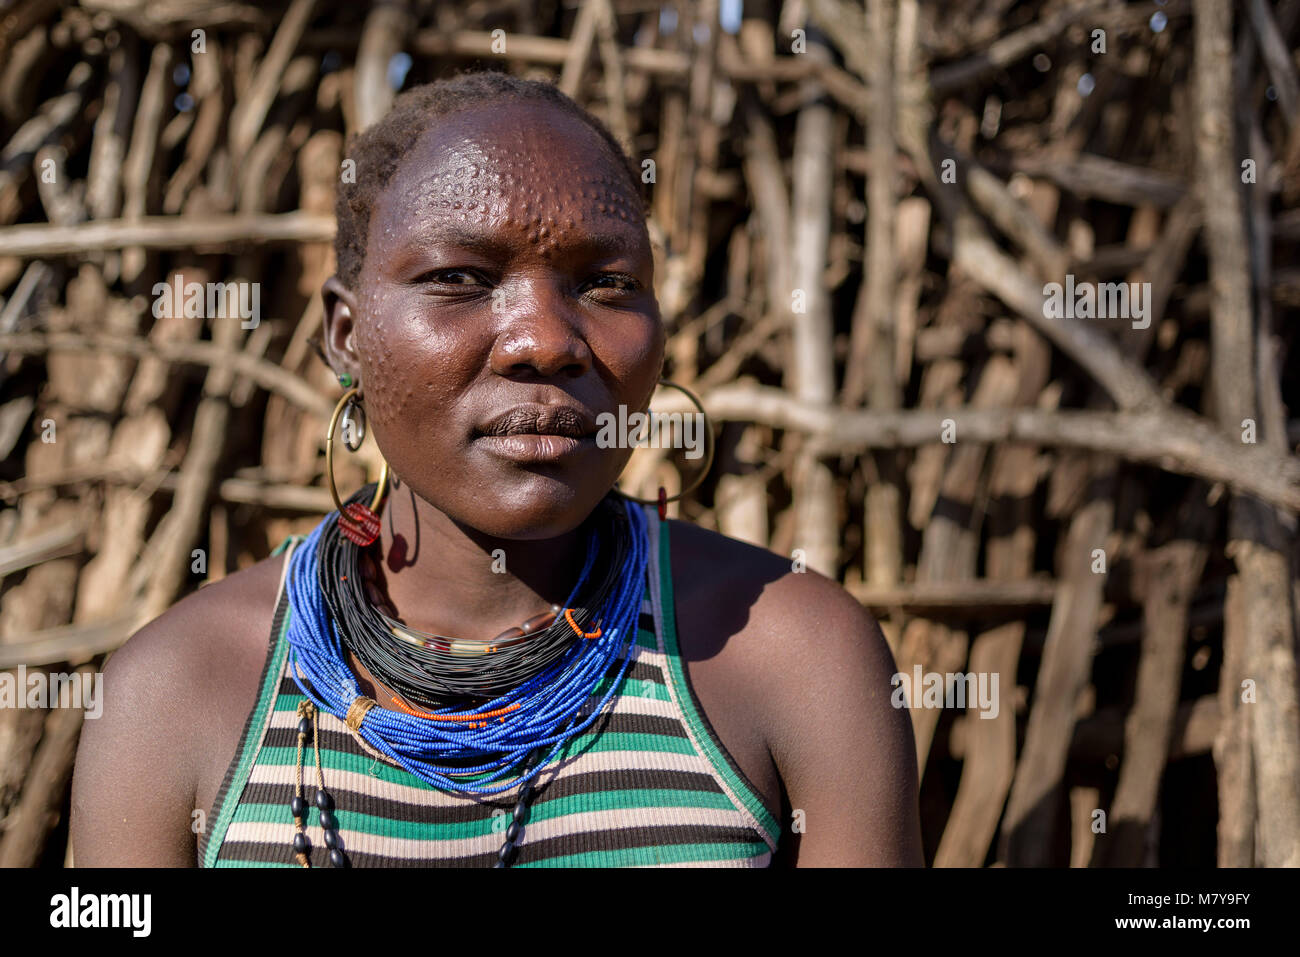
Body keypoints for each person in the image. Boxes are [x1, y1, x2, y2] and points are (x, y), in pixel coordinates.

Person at [71, 72, 923, 868]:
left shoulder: (794, 658)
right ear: (345, 336)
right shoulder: (173, 695)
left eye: (605, 282)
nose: (545, 339)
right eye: (460, 278)